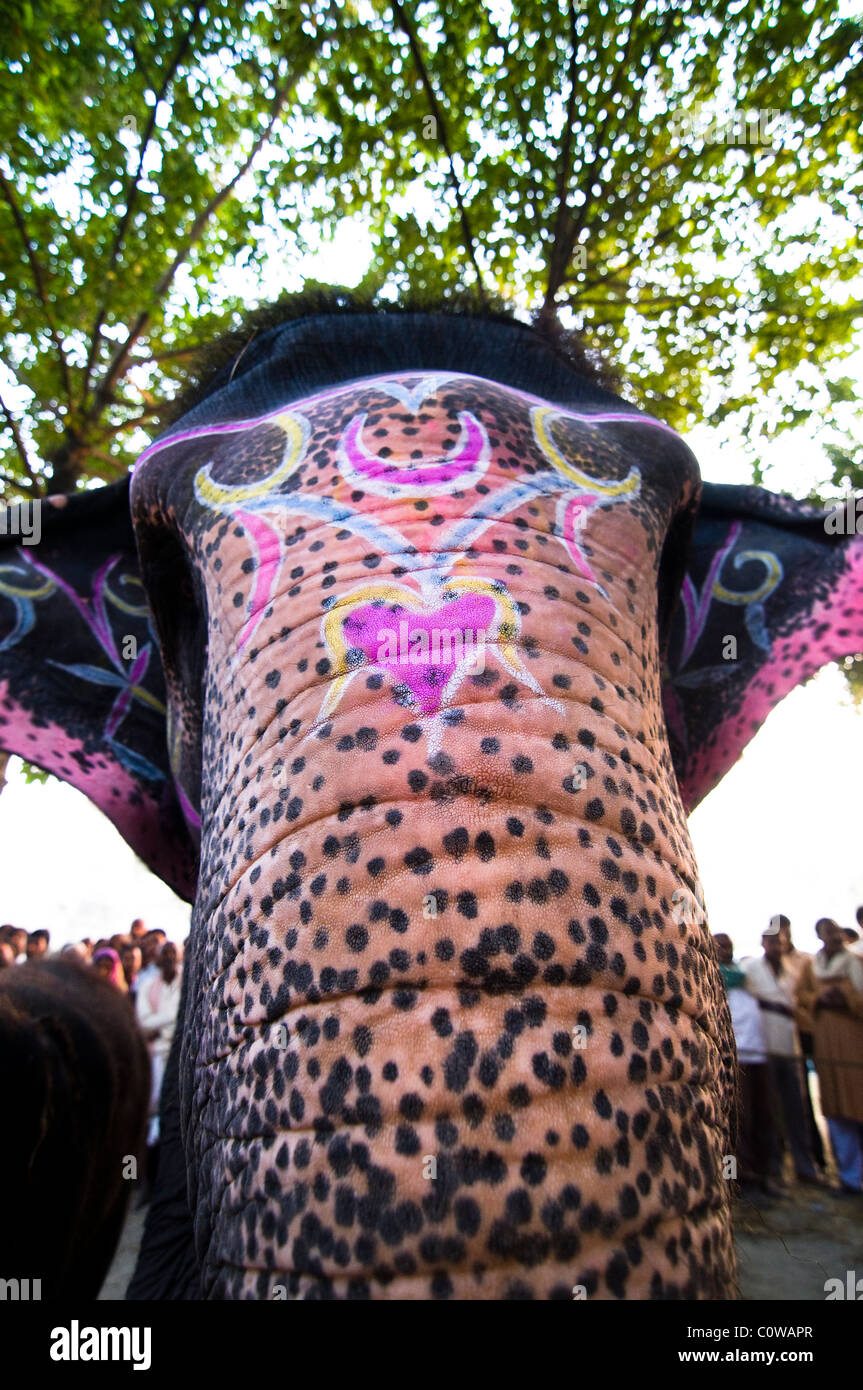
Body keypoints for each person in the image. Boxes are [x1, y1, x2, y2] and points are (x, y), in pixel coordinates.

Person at [744, 929, 819, 1185]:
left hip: (791, 1046)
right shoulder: (751, 968)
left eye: (781, 942)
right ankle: (775, 1166)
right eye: (773, 941)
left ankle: (805, 1166)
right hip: (765, 1047)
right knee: (770, 1109)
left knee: (797, 1109)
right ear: (763, 943)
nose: (777, 946)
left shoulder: (794, 969)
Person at [795, 918, 863, 1196]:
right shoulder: (812, 966)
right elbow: (801, 999)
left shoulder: (856, 962)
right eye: (828, 933)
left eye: (836, 931)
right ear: (820, 936)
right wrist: (820, 1000)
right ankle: (850, 1178)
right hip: (826, 1044)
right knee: (836, 1108)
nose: (834, 937)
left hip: (855, 1042)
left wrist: (845, 998)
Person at [713, 933, 775, 1200]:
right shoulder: (714, 974)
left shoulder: (742, 970)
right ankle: (741, 1179)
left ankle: (763, 1174)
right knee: (740, 1119)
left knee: (764, 1115)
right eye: (721, 945)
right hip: (733, 1056)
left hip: (758, 1053)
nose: (726, 950)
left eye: (729, 945)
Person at [136, 940, 183, 1195]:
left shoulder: (188, 980)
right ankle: (142, 1182)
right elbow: (142, 1023)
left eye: (172, 952)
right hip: (155, 1059)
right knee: (149, 1120)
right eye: (164, 952)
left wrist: (160, 1024)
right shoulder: (147, 986)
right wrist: (173, 1019)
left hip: (181, 1056)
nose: (168, 956)